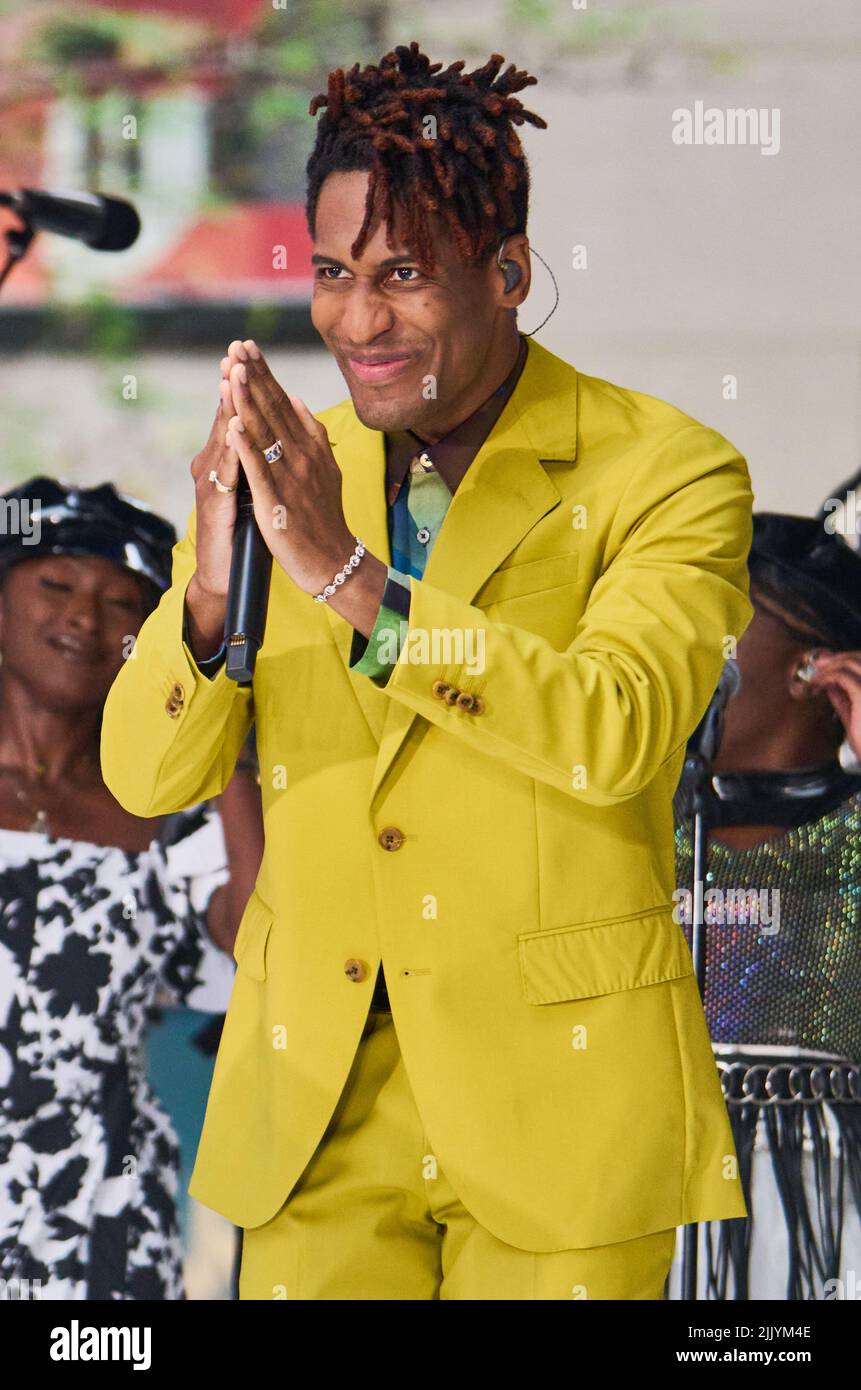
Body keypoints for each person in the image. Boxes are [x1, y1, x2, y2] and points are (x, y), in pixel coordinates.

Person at [101, 43, 754, 1301]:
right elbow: (143, 776)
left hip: (561, 1108)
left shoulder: (668, 471)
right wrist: (206, 590)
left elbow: (615, 727)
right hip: (315, 1106)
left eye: (403, 275)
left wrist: (350, 577)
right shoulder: (287, 467)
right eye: (335, 275)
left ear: (506, 271)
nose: (357, 321)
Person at [0, 477, 262, 1300]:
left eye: (123, 605)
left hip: (101, 1231)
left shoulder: (170, 814)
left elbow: (258, 934)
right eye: (55, 585)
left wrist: (230, 724)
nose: (85, 618)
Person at [668, 512, 861, 1300]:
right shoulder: (630, 829)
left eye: (717, 620)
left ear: (811, 668)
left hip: (824, 1218)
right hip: (659, 1206)